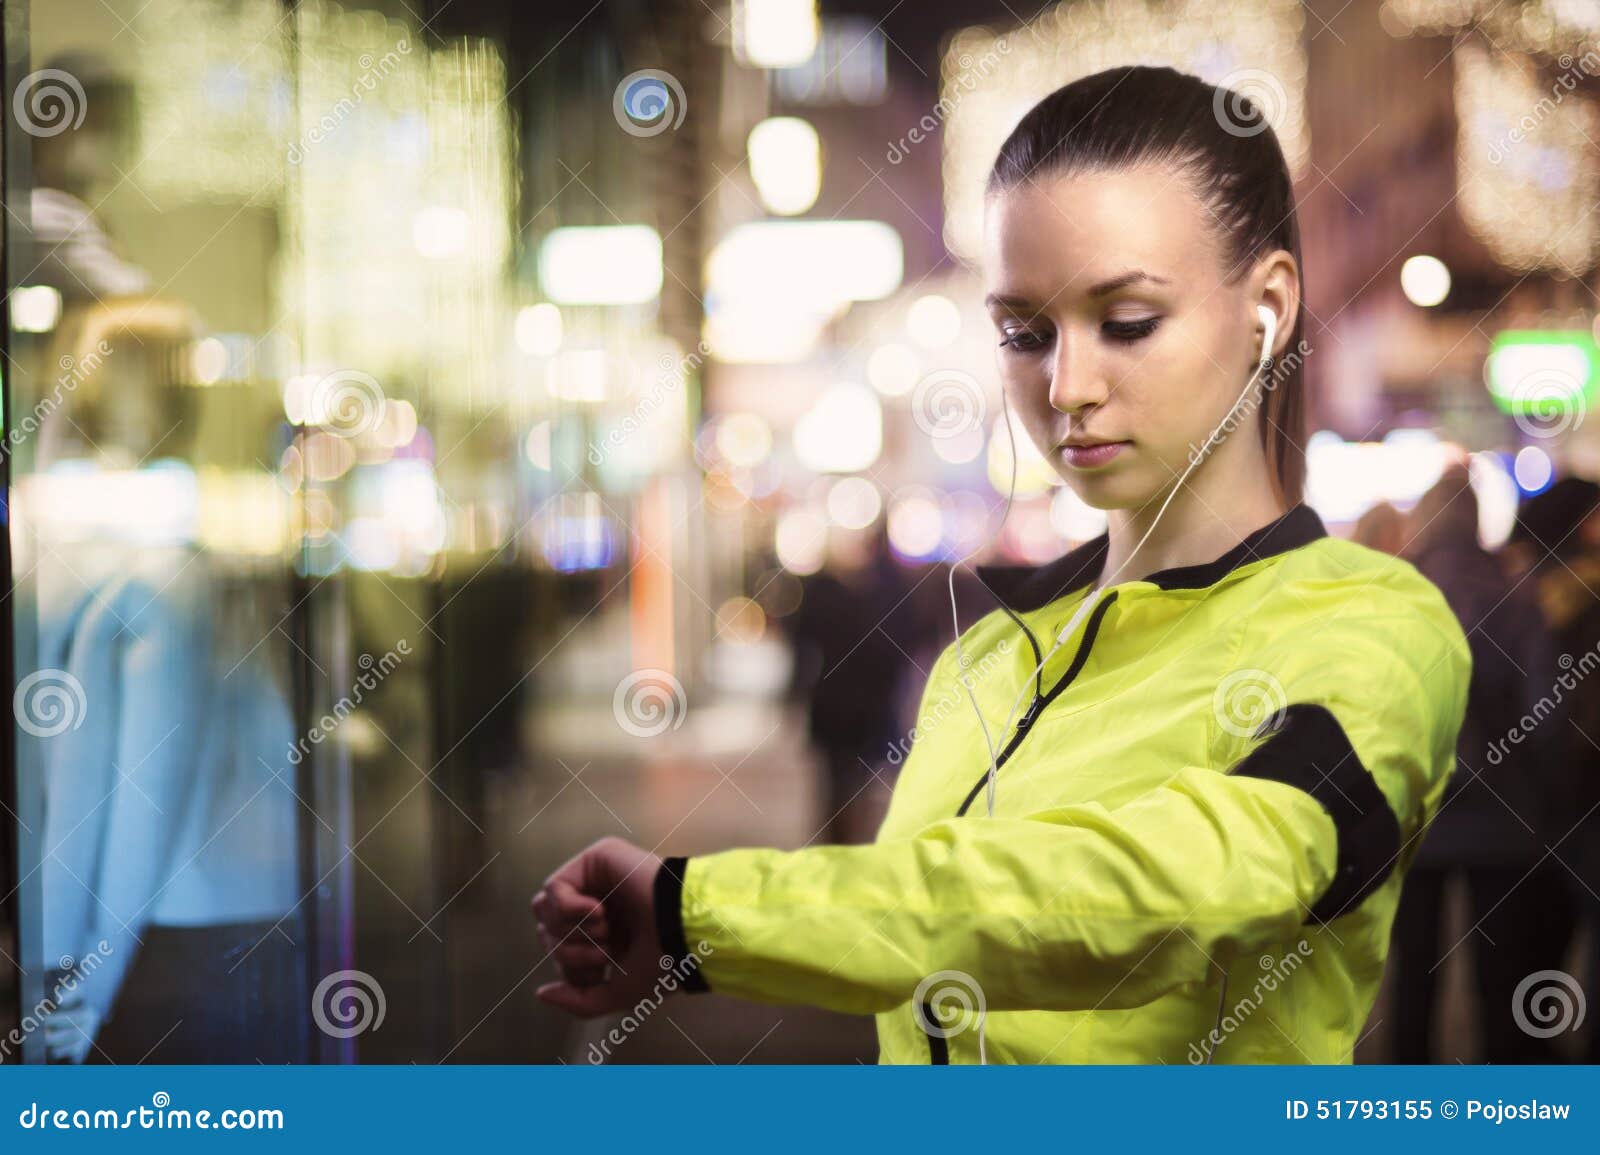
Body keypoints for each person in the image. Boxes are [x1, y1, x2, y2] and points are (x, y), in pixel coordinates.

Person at [530, 65, 1470, 1064]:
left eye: (1127, 322)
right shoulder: (984, 659)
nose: (1065, 386)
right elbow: (928, 949)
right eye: (1023, 332)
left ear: (1266, 306)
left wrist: (698, 917)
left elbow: (1188, 892)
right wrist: (693, 937)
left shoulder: (1373, 631)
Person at [1389, 466, 1570, 1062]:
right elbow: (1545, 712)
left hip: (1414, 817)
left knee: (1412, 968)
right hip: (1504, 818)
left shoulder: (1393, 594)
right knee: (1501, 976)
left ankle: (1403, 1103)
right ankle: (1502, 1109)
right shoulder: (1515, 594)